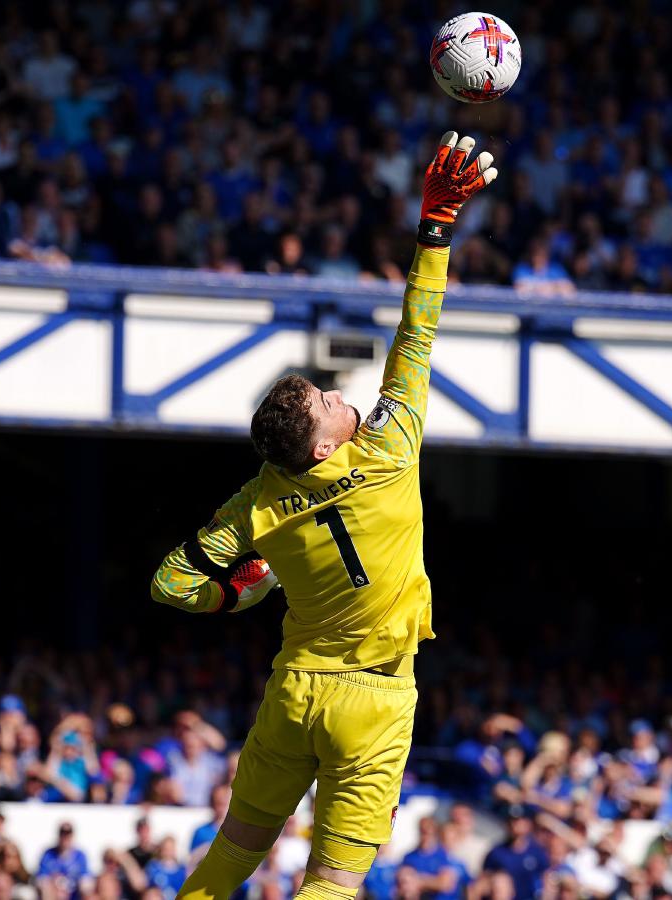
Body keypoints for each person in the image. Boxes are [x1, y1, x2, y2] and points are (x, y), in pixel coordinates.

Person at [150, 131, 498, 900]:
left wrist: (242, 592)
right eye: (331, 403)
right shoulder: (391, 447)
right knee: (333, 885)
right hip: (375, 699)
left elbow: (171, 584)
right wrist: (435, 226)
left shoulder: (257, 501)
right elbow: (419, 327)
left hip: (295, 690)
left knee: (228, 862)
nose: (345, 397)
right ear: (317, 449)